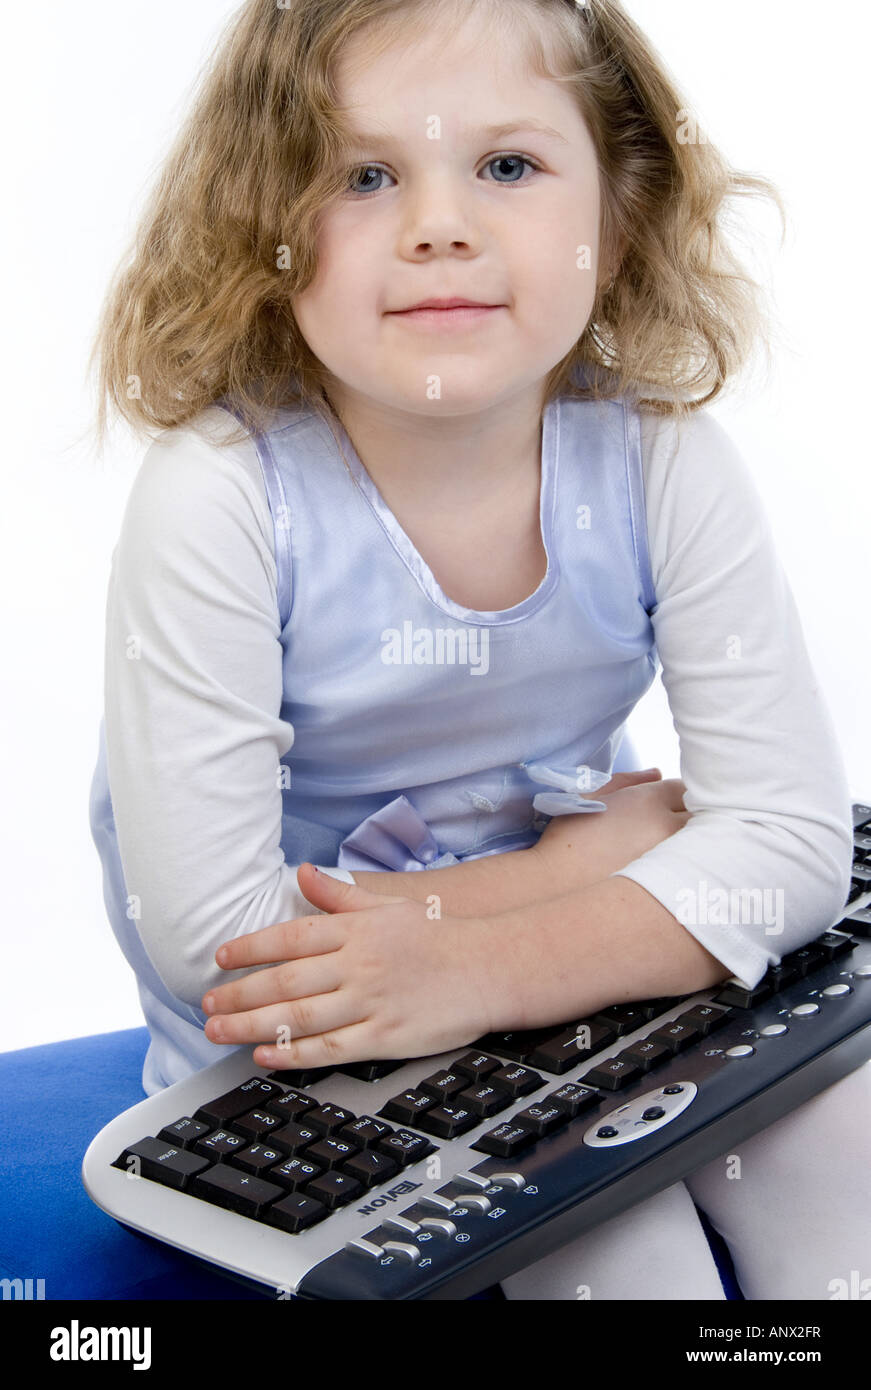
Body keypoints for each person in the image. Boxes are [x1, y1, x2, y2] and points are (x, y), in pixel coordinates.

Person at [87, 0, 867, 1299]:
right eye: (364, 173)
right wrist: (586, 868)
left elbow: (789, 841)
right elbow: (219, 943)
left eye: (507, 165)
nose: (438, 221)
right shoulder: (221, 496)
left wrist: (484, 956)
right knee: (631, 1261)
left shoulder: (662, 461)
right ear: (263, 228)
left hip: (605, 979)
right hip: (317, 1069)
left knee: (849, 1167)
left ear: (614, 214)